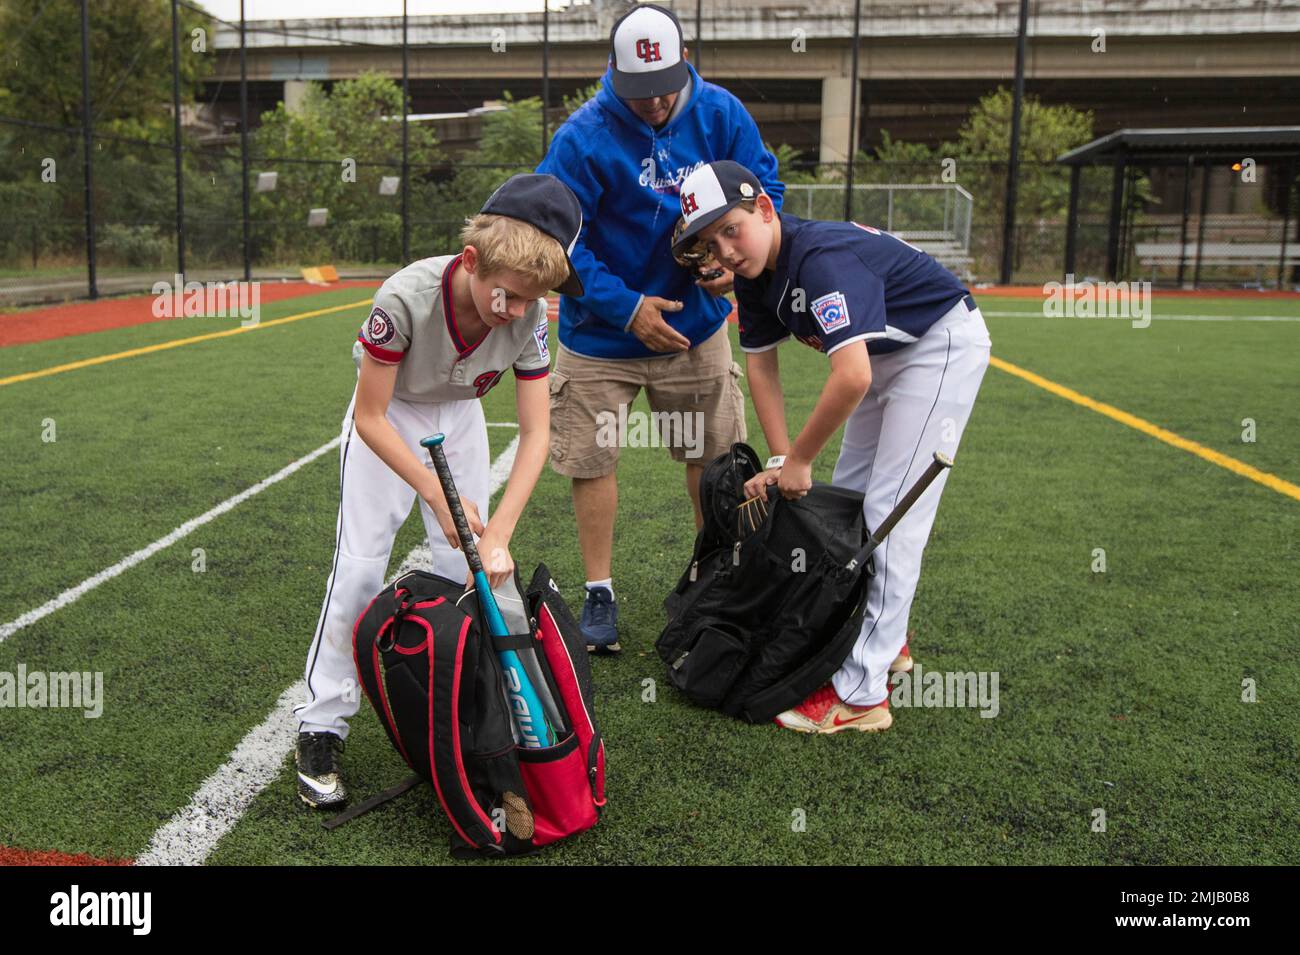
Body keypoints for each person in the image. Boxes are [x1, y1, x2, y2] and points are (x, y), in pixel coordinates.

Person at [293, 174, 584, 807]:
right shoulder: (404, 298)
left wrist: (499, 531)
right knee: (361, 570)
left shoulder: (529, 313)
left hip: (460, 416)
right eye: (505, 294)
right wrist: (435, 494)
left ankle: (469, 714)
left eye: (530, 300)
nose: (513, 311)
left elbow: (536, 433)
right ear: (472, 260)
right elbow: (369, 416)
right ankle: (321, 724)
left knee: (468, 568)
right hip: (392, 416)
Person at [673, 160, 991, 734]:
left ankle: (863, 695)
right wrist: (779, 460)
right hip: (891, 353)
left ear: (765, 208)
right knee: (844, 507)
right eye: (709, 241)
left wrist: (798, 460)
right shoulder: (754, 272)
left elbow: (850, 377)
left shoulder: (819, 260)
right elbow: (762, 369)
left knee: (891, 515)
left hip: (938, 345)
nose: (723, 249)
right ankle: (885, 640)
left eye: (730, 228)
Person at [536, 2, 784, 653]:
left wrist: (738, 265)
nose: (652, 105)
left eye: (664, 89)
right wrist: (626, 307)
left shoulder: (723, 115)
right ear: (613, 74)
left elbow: (764, 192)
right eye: (637, 92)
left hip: (696, 323)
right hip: (601, 331)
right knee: (592, 458)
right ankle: (599, 592)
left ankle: (711, 576)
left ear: (684, 65)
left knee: (714, 459)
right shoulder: (581, 136)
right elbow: (560, 240)